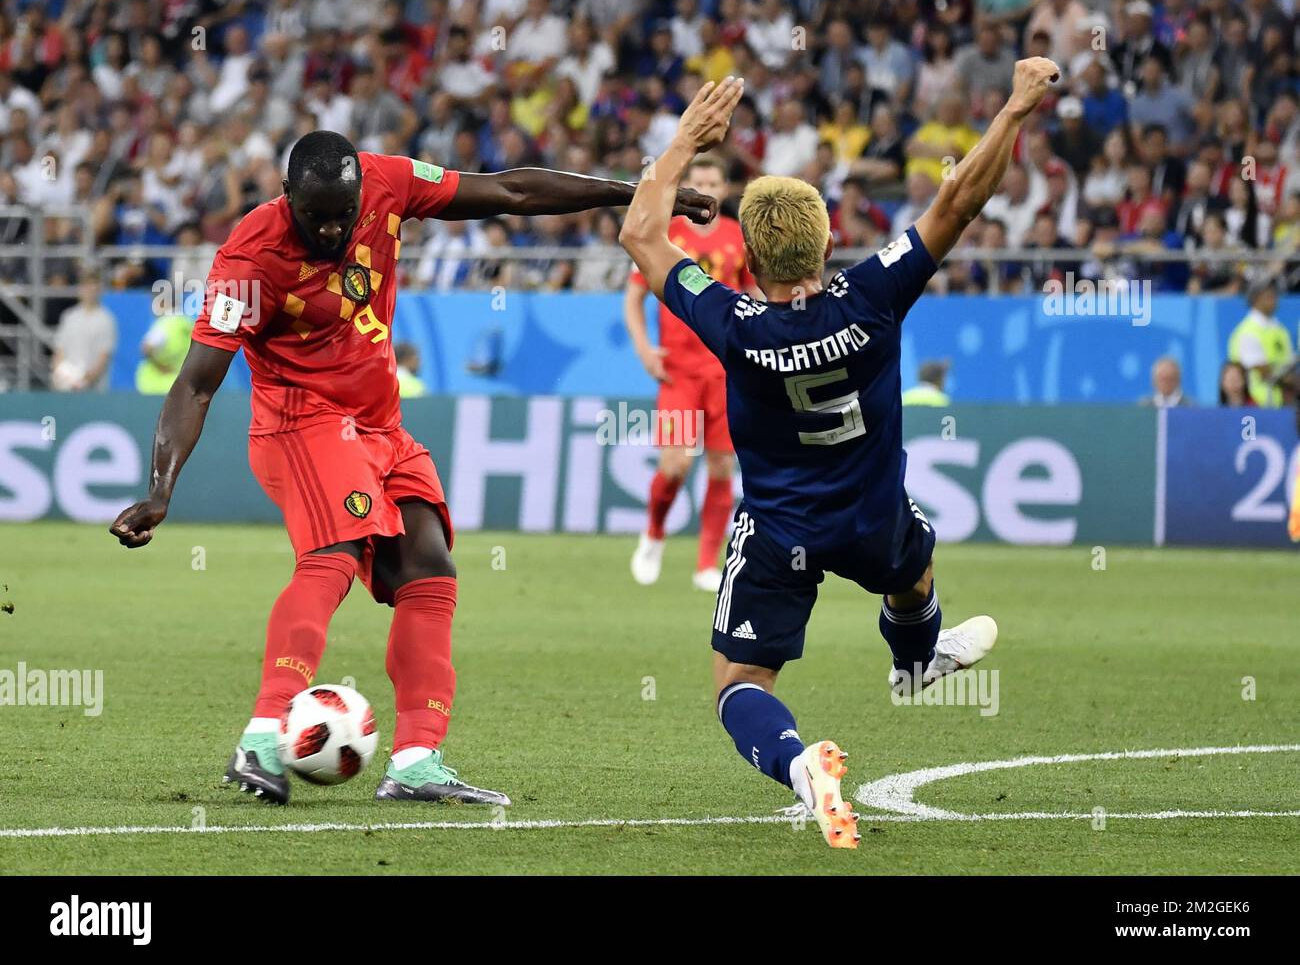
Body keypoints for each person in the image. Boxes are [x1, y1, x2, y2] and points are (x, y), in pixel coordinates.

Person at [109, 130, 716, 807]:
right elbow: (195, 384)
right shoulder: (250, 257)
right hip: (299, 423)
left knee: (430, 568)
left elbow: (511, 190)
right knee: (334, 556)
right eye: (317, 218)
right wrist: (161, 488)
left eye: (344, 212)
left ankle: (418, 759)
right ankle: (261, 733)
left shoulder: (391, 182)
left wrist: (638, 191)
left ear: (362, 191)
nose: (335, 228)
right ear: (289, 202)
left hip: (380, 425)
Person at [618, 58, 1059, 848]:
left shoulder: (734, 323)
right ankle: (916, 657)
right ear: (826, 247)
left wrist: (687, 137)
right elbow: (961, 198)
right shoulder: (873, 295)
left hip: (780, 531)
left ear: (747, 260)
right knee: (912, 563)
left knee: (739, 686)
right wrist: (1018, 108)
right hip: (872, 514)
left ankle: (800, 767)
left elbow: (639, 233)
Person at [625, 156, 753, 592]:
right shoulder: (665, 236)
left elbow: (753, 297)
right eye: (697, 181)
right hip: (678, 371)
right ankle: (655, 533)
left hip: (722, 371)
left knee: (721, 466)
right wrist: (644, 349)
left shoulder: (738, 238)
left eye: (713, 180)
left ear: (723, 187)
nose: (706, 187)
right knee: (677, 463)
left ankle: (705, 563)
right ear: (686, 189)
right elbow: (633, 298)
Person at [1228, 279, 1294, 407]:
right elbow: (1264, 372)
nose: (1274, 299)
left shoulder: (1280, 329)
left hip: (1282, 404)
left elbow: (1289, 364)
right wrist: (1293, 381)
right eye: (1268, 295)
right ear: (1256, 299)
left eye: (1275, 294)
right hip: (1255, 406)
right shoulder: (1247, 331)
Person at [51, 278, 117, 392]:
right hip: (67, 388)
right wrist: (61, 374)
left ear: (98, 291)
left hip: (93, 390)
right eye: (86, 288)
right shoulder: (69, 316)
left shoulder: (106, 319)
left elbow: (104, 356)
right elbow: (59, 350)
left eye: (93, 288)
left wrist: (84, 379)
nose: (89, 292)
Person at [135, 312, 194, 394]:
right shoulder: (186, 325)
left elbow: (146, 348)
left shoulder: (165, 324)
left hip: (157, 385)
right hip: (169, 384)